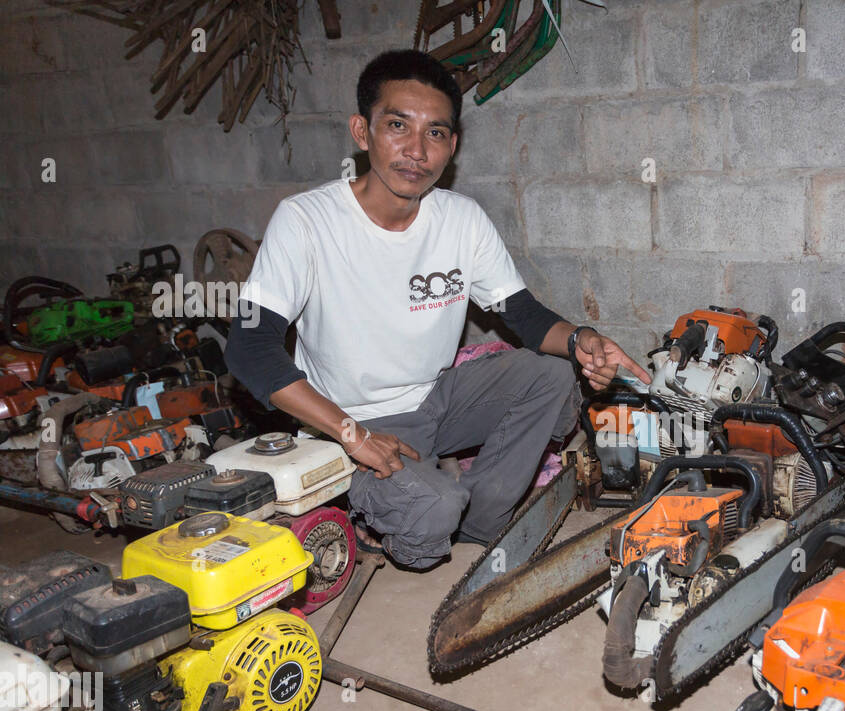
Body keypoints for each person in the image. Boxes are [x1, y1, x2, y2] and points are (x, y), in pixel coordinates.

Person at [225, 49, 649, 569]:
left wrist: (584, 339)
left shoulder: (461, 219)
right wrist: (351, 435)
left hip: (435, 398)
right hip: (350, 423)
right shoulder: (306, 222)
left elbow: (524, 315)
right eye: (398, 125)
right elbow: (248, 349)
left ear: (454, 144)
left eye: (436, 133)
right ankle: (381, 507)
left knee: (551, 374)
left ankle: (479, 518)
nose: (416, 151)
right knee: (431, 517)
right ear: (362, 131)